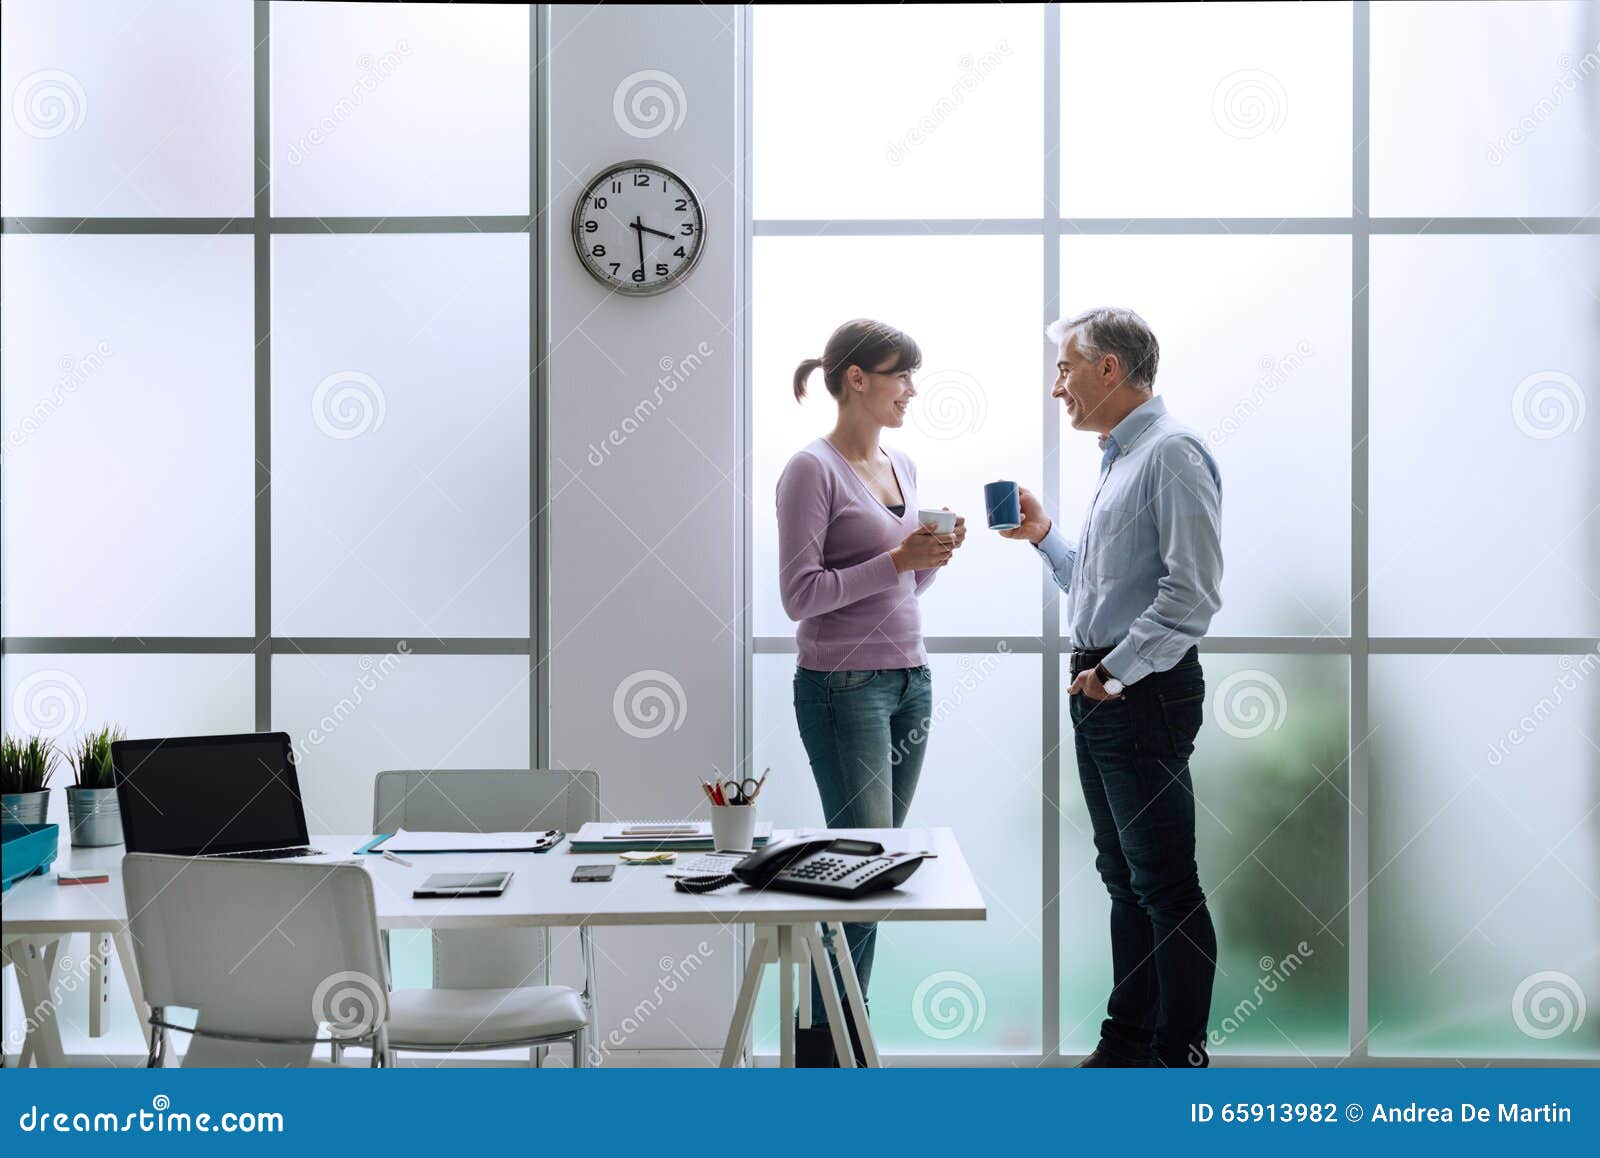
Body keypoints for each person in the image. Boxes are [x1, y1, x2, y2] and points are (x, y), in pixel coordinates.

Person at [1000, 307, 1223, 1067]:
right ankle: (1127, 1043)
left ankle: (1176, 1053)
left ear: (1108, 370)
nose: (1055, 385)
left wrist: (1115, 673)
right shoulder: (1120, 460)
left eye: (1066, 368)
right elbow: (1097, 590)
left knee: (1164, 882)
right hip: (1102, 684)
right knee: (1124, 877)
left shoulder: (1172, 454)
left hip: (1139, 689)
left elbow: (1191, 597)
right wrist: (1045, 539)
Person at [775, 318, 965, 1066]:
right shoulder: (810, 470)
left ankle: (833, 1047)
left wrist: (930, 559)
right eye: (900, 376)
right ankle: (826, 1056)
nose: (912, 390)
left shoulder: (903, 464)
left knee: (873, 871)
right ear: (857, 378)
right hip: (841, 687)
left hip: (909, 680)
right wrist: (896, 559)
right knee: (861, 873)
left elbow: (904, 584)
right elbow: (800, 594)